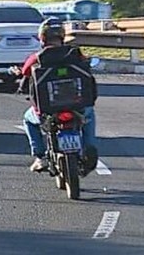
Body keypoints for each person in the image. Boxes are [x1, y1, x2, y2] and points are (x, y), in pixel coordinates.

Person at [9, 18, 98, 174]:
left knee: (28, 119)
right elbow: (87, 67)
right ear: (61, 36)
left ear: (42, 38)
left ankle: (40, 157)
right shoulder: (75, 53)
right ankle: (89, 148)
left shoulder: (37, 58)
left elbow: (25, 72)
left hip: (47, 110)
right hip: (78, 106)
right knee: (89, 116)